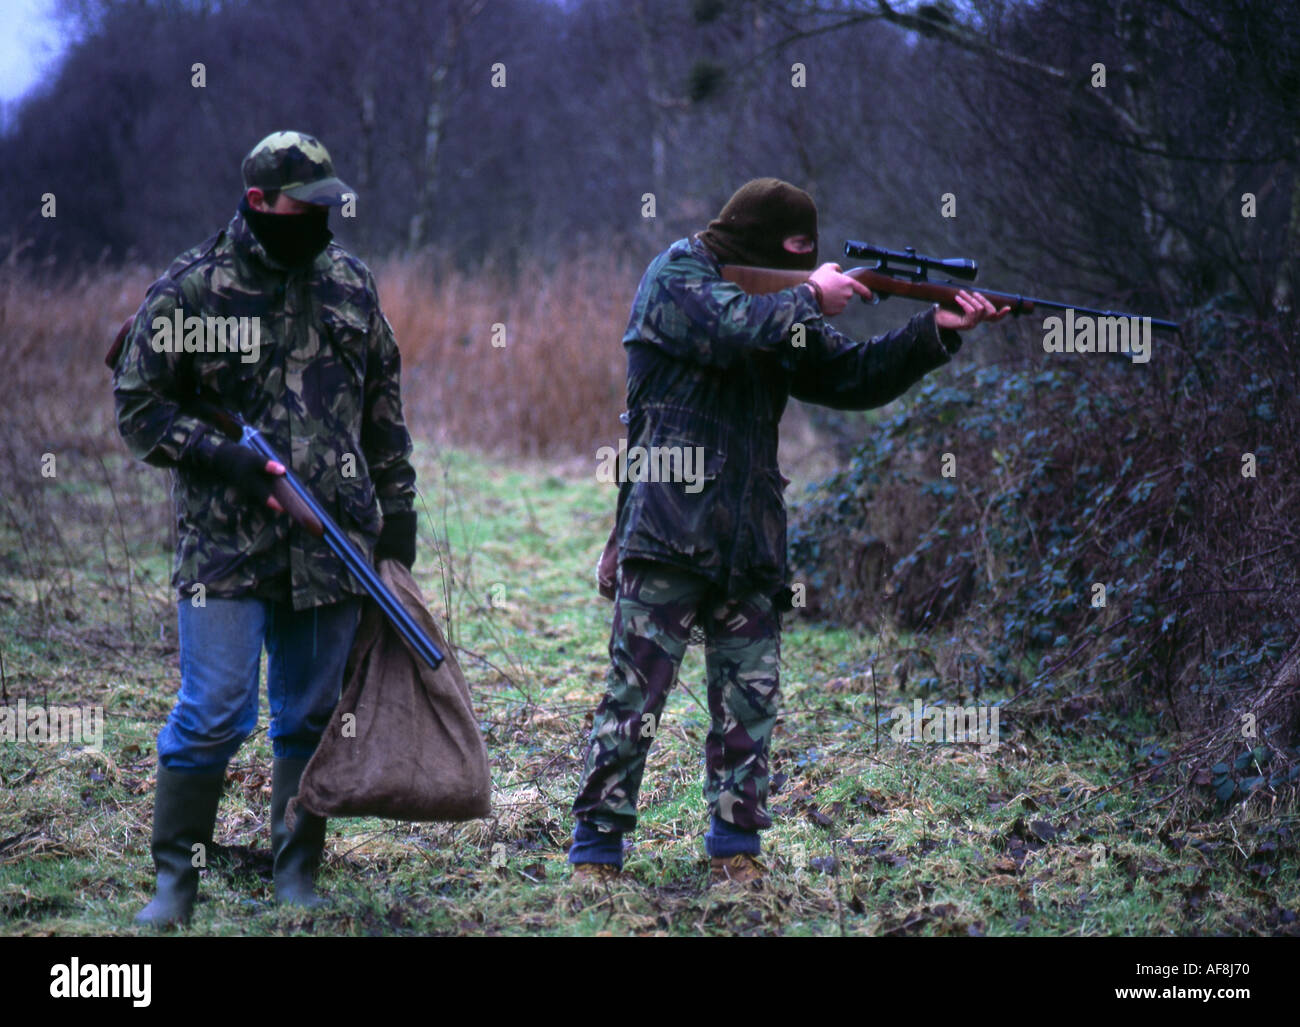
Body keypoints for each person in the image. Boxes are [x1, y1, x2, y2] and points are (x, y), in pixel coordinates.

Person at [569, 178, 1008, 885]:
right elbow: (731, 328)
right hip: (668, 526)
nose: (801, 267)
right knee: (634, 697)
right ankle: (595, 851)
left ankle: (736, 852)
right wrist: (809, 295)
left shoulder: (779, 307)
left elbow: (851, 376)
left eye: (808, 257)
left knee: (750, 705)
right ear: (751, 241)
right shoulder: (677, 275)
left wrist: (934, 332)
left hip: (750, 537)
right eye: (792, 254)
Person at [112, 131, 418, 925]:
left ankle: (296, 875)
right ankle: (175, 883)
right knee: (213, 711)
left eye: (327, 204)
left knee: (310, 716)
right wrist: (227, 459)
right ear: (257, 201)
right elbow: (140, 407)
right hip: (225, 546)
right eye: (302, 206)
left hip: (331, 542)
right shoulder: (192, 288)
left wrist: (399, 511)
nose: (319, 219)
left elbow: (383, 407)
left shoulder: (350, 282)